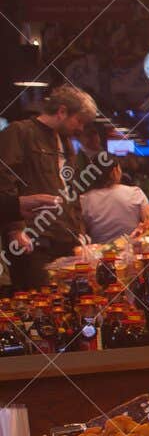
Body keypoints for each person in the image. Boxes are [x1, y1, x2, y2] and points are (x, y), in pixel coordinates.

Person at [0, 83, 97, 289]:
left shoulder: (67, 143)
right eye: (78, 120)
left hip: (65, 238)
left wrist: (79, 231)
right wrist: (15, 229)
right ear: (62, 111)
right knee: (38, 304)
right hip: (34, 241)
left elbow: (72, 189)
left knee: (66, 304)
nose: (80, 128)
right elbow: (4, 179)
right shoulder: (20, 132)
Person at [79, 160, 149, 243]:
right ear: (115, 171)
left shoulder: (84, 200)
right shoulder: (135, 193)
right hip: (132, 251)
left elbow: (81, 235)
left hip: (99, 254)